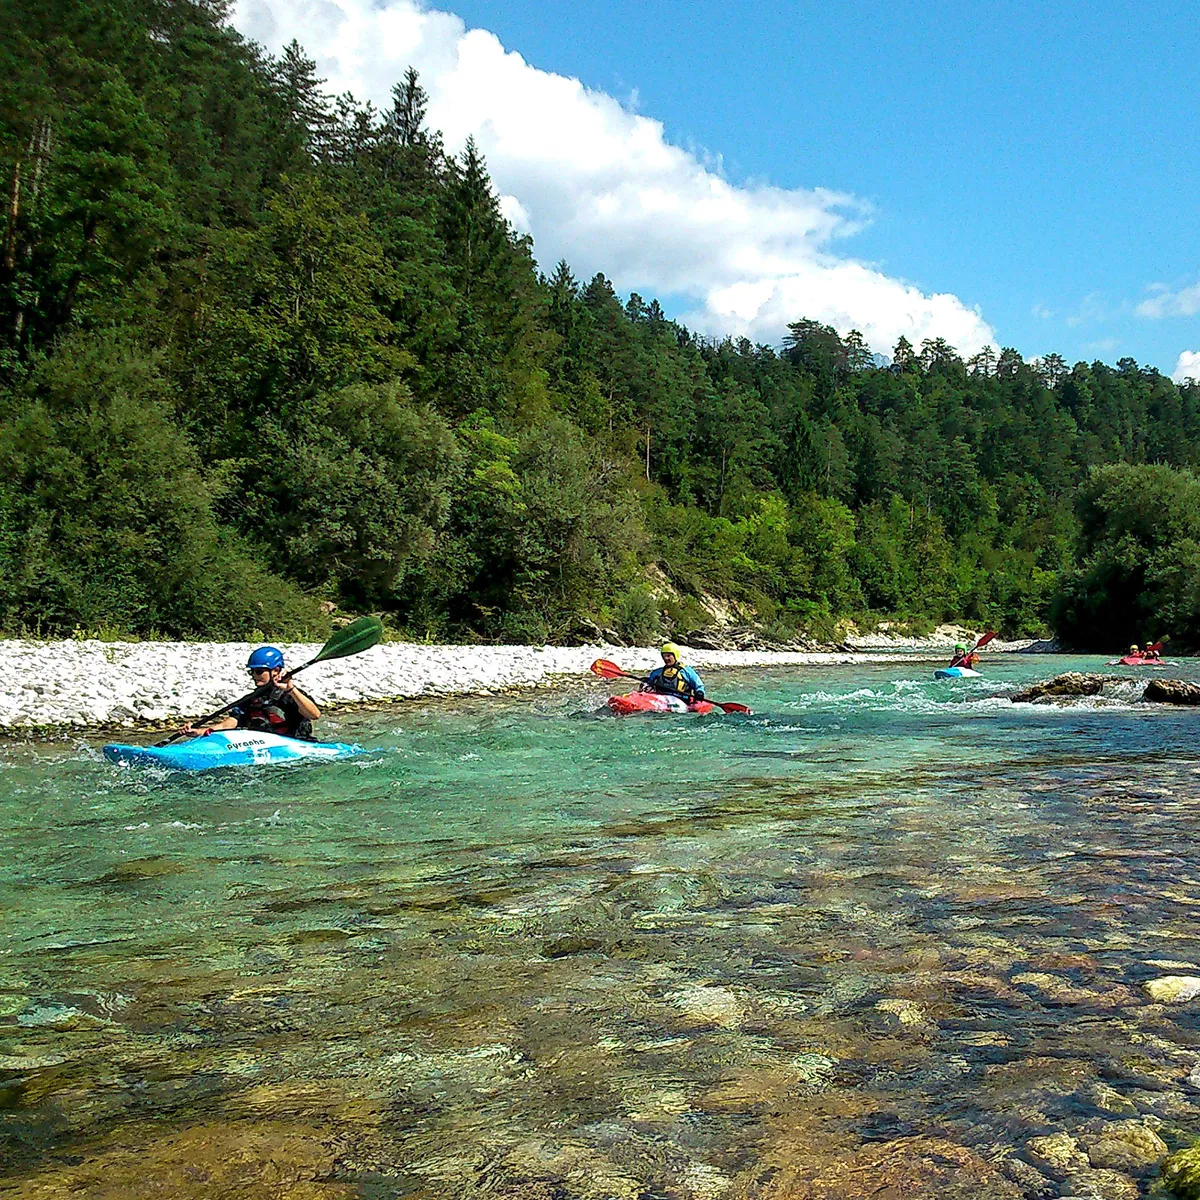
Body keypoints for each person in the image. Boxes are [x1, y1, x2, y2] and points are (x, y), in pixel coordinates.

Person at [181, 646, 321, 740]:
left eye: (259, 671)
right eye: (252, 671)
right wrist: (198, 732)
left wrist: (291, 690)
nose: (254, 675)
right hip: (262, 746)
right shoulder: (251, 699)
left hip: (297, 744)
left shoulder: (291, 695)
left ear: (276, 671)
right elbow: (227, 725)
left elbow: (314, 714)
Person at [642, 642, 706, 703]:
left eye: (668, 655)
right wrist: (646, 682)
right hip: (662, 699)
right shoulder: (657, 672)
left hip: (681, 700)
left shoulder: (686, 671)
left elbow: (699, 685)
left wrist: (700, 692)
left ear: (675, 656)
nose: (666, 658)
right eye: (664, 656)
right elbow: (649, 684)